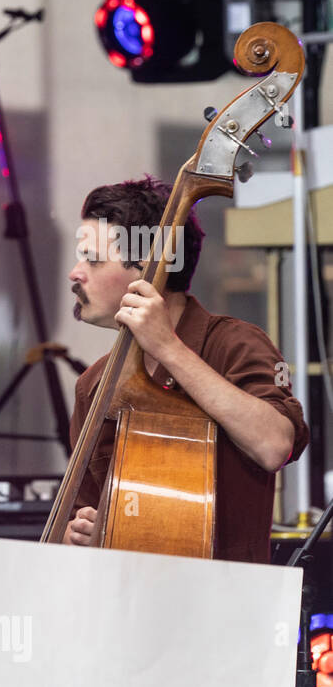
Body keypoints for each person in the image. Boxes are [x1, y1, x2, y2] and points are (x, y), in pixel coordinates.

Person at [64, 176, 308, 563]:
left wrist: (168, 348)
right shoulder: (93, 384)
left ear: (150, 268)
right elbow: (77, 517)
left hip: (225, 604)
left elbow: (274, 445)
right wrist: (82, 535)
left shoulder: (236, 344)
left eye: (92, 259)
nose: (75, 274)